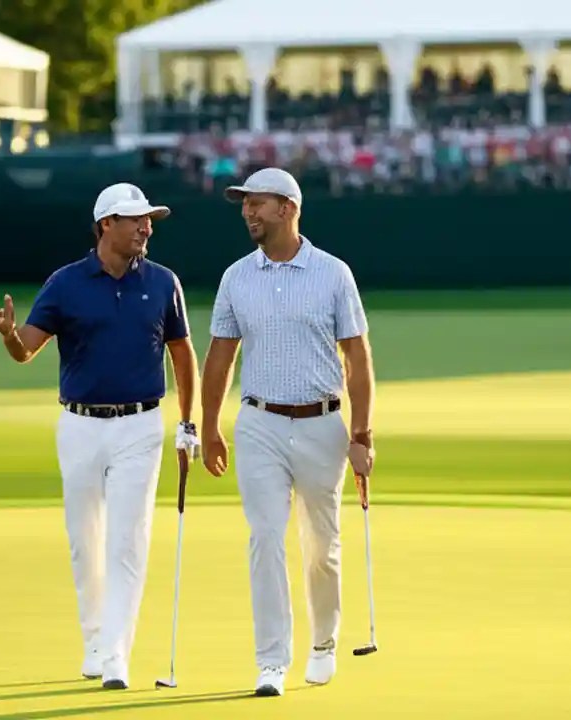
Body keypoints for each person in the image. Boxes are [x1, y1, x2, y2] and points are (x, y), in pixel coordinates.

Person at [0, 182, 200, 690]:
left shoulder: (164, 282)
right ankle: (96, 642)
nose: (147, 227)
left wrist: (189, 422)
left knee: (128, 541)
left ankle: (118, 654)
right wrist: (9, 334)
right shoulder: (65, 283)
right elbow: (26, 351)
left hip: (141, 425)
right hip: (79, 426)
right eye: (136, 219)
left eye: (149, 219)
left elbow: (182, 356)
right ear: (106, 225)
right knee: (86, 542)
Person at [199, 167, 377, 697]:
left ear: (288, 207)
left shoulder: (333, 273)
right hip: (259, 424)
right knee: (266, 536)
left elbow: (358, 358)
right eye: (244, 204)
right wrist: (209, 427)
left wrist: (362, 434)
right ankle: (271, 660)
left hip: (323, 424)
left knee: (322, 545)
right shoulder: (236, 277)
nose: (248, 212)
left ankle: (323, 643)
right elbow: (219, 358)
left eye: (258, 203)